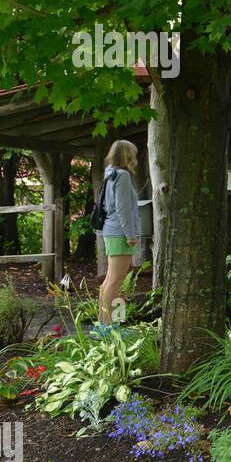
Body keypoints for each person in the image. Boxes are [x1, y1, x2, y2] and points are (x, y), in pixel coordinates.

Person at [97, 139, 142, 332]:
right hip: (120, 233)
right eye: (133, 153)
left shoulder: (111, 174)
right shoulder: (122, 175)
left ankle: (107, 323)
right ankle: (108, 328)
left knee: (110, 280)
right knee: (115, 280)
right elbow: (123, 209)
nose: (135, 157)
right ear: (127, 155)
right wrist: (131, 235)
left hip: (112, 230)